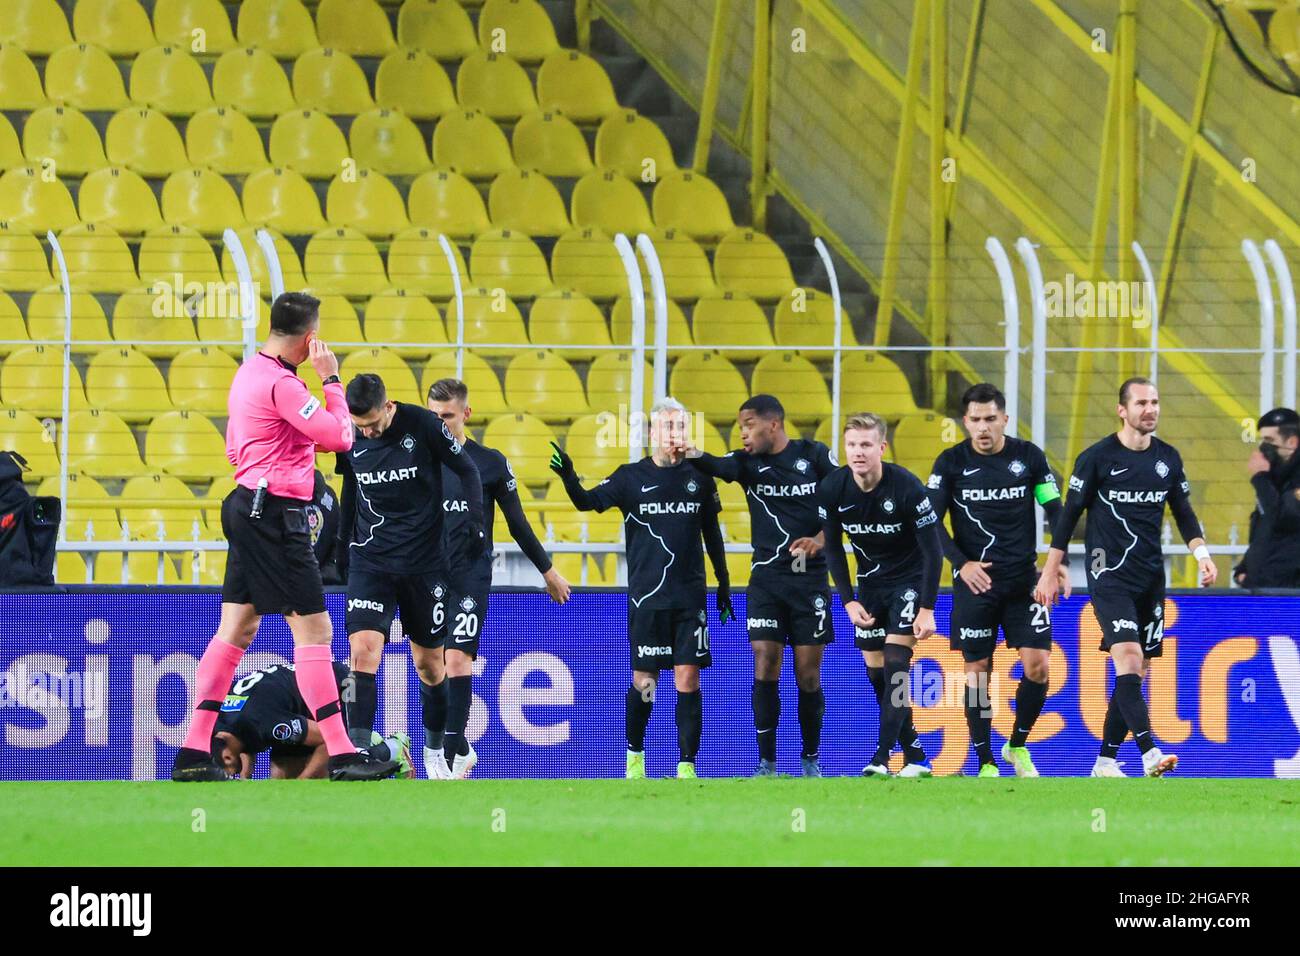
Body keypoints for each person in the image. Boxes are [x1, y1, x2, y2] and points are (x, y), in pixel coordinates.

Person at [172, 292, 398, 782]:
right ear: (310, 337)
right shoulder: (286, 385)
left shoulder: (250, 373)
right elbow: (341, 436)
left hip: (246, 504)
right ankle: (342, 754)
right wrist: (332, 380)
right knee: (314, 633)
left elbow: (294, 435)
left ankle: (192, 752)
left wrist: (309, 428)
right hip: (276, 514)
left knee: (237, 628)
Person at [1035, 378, 1217, 778]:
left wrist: (1201, 554)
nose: (1149, 409)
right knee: (1130, 660)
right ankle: (1149, 752)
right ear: (1122, 410)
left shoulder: (1167, 458)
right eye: (1141, 403)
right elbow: (1068, 516)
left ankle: (1105, 760)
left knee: (1137, 670)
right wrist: (1050, 570)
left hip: (1150, 579)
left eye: (1154, 402)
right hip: (1109, 575)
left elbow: (1183, 512)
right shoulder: (1098, 458)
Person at [550, 397, 733, 779]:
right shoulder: (630, 477)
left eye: (681, 427)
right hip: (647, 599)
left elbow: (712, 535)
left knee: (688, 676)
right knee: (645, 682)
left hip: (689, 598)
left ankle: (686, 766)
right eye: (668, 427)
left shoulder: (700, 478)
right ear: (652, 433)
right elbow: (586, 502)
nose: (675, 435)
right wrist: (569, 475)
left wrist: (724, 584)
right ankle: (635, 758)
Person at [335, 373, 485, 780]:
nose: (366, 430)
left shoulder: (424, 425)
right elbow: (350, 487)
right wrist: (340, 544)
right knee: (362, 652)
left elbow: (467, 469)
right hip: (372, 561)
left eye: (371, 423)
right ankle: (358, 751)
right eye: (359, 424)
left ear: (389, 406)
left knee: (429, 665)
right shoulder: (350, 434)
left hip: (424, 565)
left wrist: (475, 522)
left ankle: (435, 751)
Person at [683, 395, 836, 777]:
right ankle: (767, 762)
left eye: (748, 425)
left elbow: (843, 507)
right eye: (739, 427)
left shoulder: (815, 456)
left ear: (773, 424)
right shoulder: (746, 463)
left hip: (809, 582)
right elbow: (715, 465)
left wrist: (820, 539)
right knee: (765, 660)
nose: (743, 433)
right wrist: (688, 450)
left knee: (808, 674)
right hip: (766, 581)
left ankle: (810, 760)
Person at [427, 377, 571, 779]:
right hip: (426, 574)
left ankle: (451, 756)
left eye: (448, 416)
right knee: (431, 665)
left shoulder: (489, 463)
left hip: (470, 573)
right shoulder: (420, 460)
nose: (441, 424)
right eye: (434, 416)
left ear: (466, 414)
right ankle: (456, 745)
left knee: (458, 659)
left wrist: (548, 570)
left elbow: (518, 523)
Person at [926, 383, 1068, 777]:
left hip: (1024, 581)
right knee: (978, 671)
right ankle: (985, 760)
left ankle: (1017, 745)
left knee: (1038, 666)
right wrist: (961, 564)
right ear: (965, 422)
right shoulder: (950, 463)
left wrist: (1058, 565)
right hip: (975, 583)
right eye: (976, 420)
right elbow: (929, 522)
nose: (984, 427)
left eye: (991, 419)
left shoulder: (1029, 458)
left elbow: (1056, 510)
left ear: (1005, 419)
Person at [820, 414, 941, 778]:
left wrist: (926, 608)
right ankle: (916, 754)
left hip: (908, 581)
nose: (858, 452)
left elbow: (934, 552)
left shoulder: (906, 487)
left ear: (881, 448)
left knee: (895, 667)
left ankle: (881, 757)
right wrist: (848, 600)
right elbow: (833, 549)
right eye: (852, 445)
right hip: (869, 587)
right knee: (878, 677)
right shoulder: (833, 489)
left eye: (866, 445)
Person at [212, 661, 412, 780]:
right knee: (281, 777)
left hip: (341, 686)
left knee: (335, 769)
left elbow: (326, 738)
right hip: (299, 703)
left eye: (229, 773)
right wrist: (246, 780)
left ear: (227, 757)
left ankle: (392, 748)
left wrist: (304, 783)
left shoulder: (263, 720)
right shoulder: (224, 726)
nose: (231, 776)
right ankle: (363, 741)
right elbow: (245, 741)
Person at [1236, 407, 1300, 588]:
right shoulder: (1276, 477)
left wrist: (1260, 477)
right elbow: (1265, 529)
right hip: (1263, 590)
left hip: (1289, 594)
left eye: (1270, 440)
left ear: (1292, 442)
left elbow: (1282, 518)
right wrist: (1244, 570)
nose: (1264, 447)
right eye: (1262, 440)